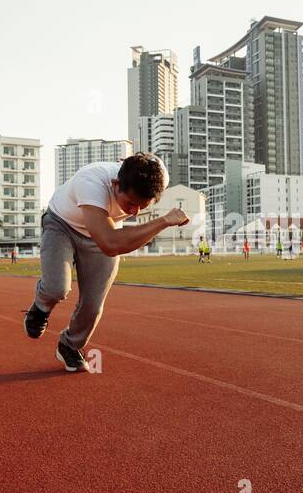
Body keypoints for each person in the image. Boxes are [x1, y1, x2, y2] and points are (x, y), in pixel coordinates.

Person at [23, 153, 188, 372]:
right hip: (62, 223)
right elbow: (110, 244)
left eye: (142, 206)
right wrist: (164, 221)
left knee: (93, 304)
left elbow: (149, 161)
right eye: (130, 203)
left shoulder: (159, 177)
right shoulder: (92, 181)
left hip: (104, 230)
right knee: (57, 288)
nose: (134, 211)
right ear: (115, 184)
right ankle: (41, 306)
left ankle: (69, 346)